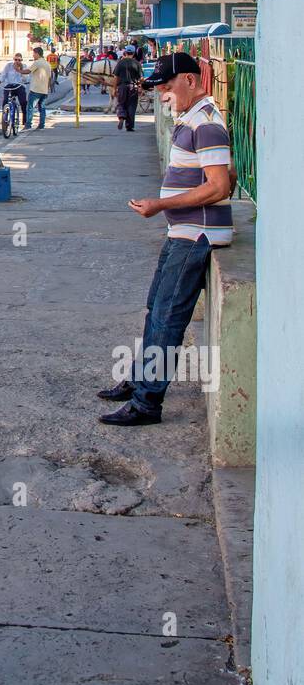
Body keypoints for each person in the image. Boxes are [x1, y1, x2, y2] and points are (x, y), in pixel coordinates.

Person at [97, 52, 235, 426]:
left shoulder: (205, 123)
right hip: (183, 231)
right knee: (155, 309)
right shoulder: (191, 119)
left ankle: (146, 403)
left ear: (189, 80)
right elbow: (229, 175)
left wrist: (160, 204)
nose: (163, 96)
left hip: (196, 234)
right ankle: (140, 380)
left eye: (168, 87)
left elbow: (220, 186)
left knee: (168, 318)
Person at [113, 43, 142, 132]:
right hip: (133, 87)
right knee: (131, 106)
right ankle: (129, 126)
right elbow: (140, 78)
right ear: (133, 53)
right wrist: (140, 87)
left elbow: (116, 77)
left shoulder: (120, 63)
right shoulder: (137, 63)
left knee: (121, 103)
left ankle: (121, 116)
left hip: (122, 87)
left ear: (125, 52)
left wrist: (114, 89)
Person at [26, 45, 53, 128]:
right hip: (44, 90)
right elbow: (50, 78)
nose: (33, 55)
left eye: (33, 53)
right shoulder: (47, 64)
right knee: (42, 108)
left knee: (30, 107)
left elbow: (27, 71)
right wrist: (48, 89)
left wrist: (18, 70)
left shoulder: (37, 63)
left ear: (37, 54)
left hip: (35, 89)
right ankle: (41, 125)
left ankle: (28, 125)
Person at [0, 53, 28, 126]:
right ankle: (5, 116)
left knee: (23, 102)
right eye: (15, 59)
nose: (17, 61)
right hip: (9, 85)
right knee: (5, 100)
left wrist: (21, 70)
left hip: (19, 85)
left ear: (21, 60)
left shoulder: (24, 66)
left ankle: (25, 120)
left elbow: (25, 79)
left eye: (19, 60)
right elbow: (3, 75)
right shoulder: (8, 66)